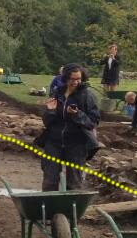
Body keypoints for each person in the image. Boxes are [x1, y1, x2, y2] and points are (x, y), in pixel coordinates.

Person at [40, 63, 100, 191]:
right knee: (49, 180)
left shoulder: (87, 96)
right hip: (54, 141)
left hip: (76, 143)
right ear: (66, 78)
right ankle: (48, 207)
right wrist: (50, 111)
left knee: (74, 183)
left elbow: (92, 122)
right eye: (73, 79)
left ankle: (73, 209)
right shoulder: (57, 93)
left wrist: (77, 115)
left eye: (78, 79)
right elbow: (47, 122)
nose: (76, 82)